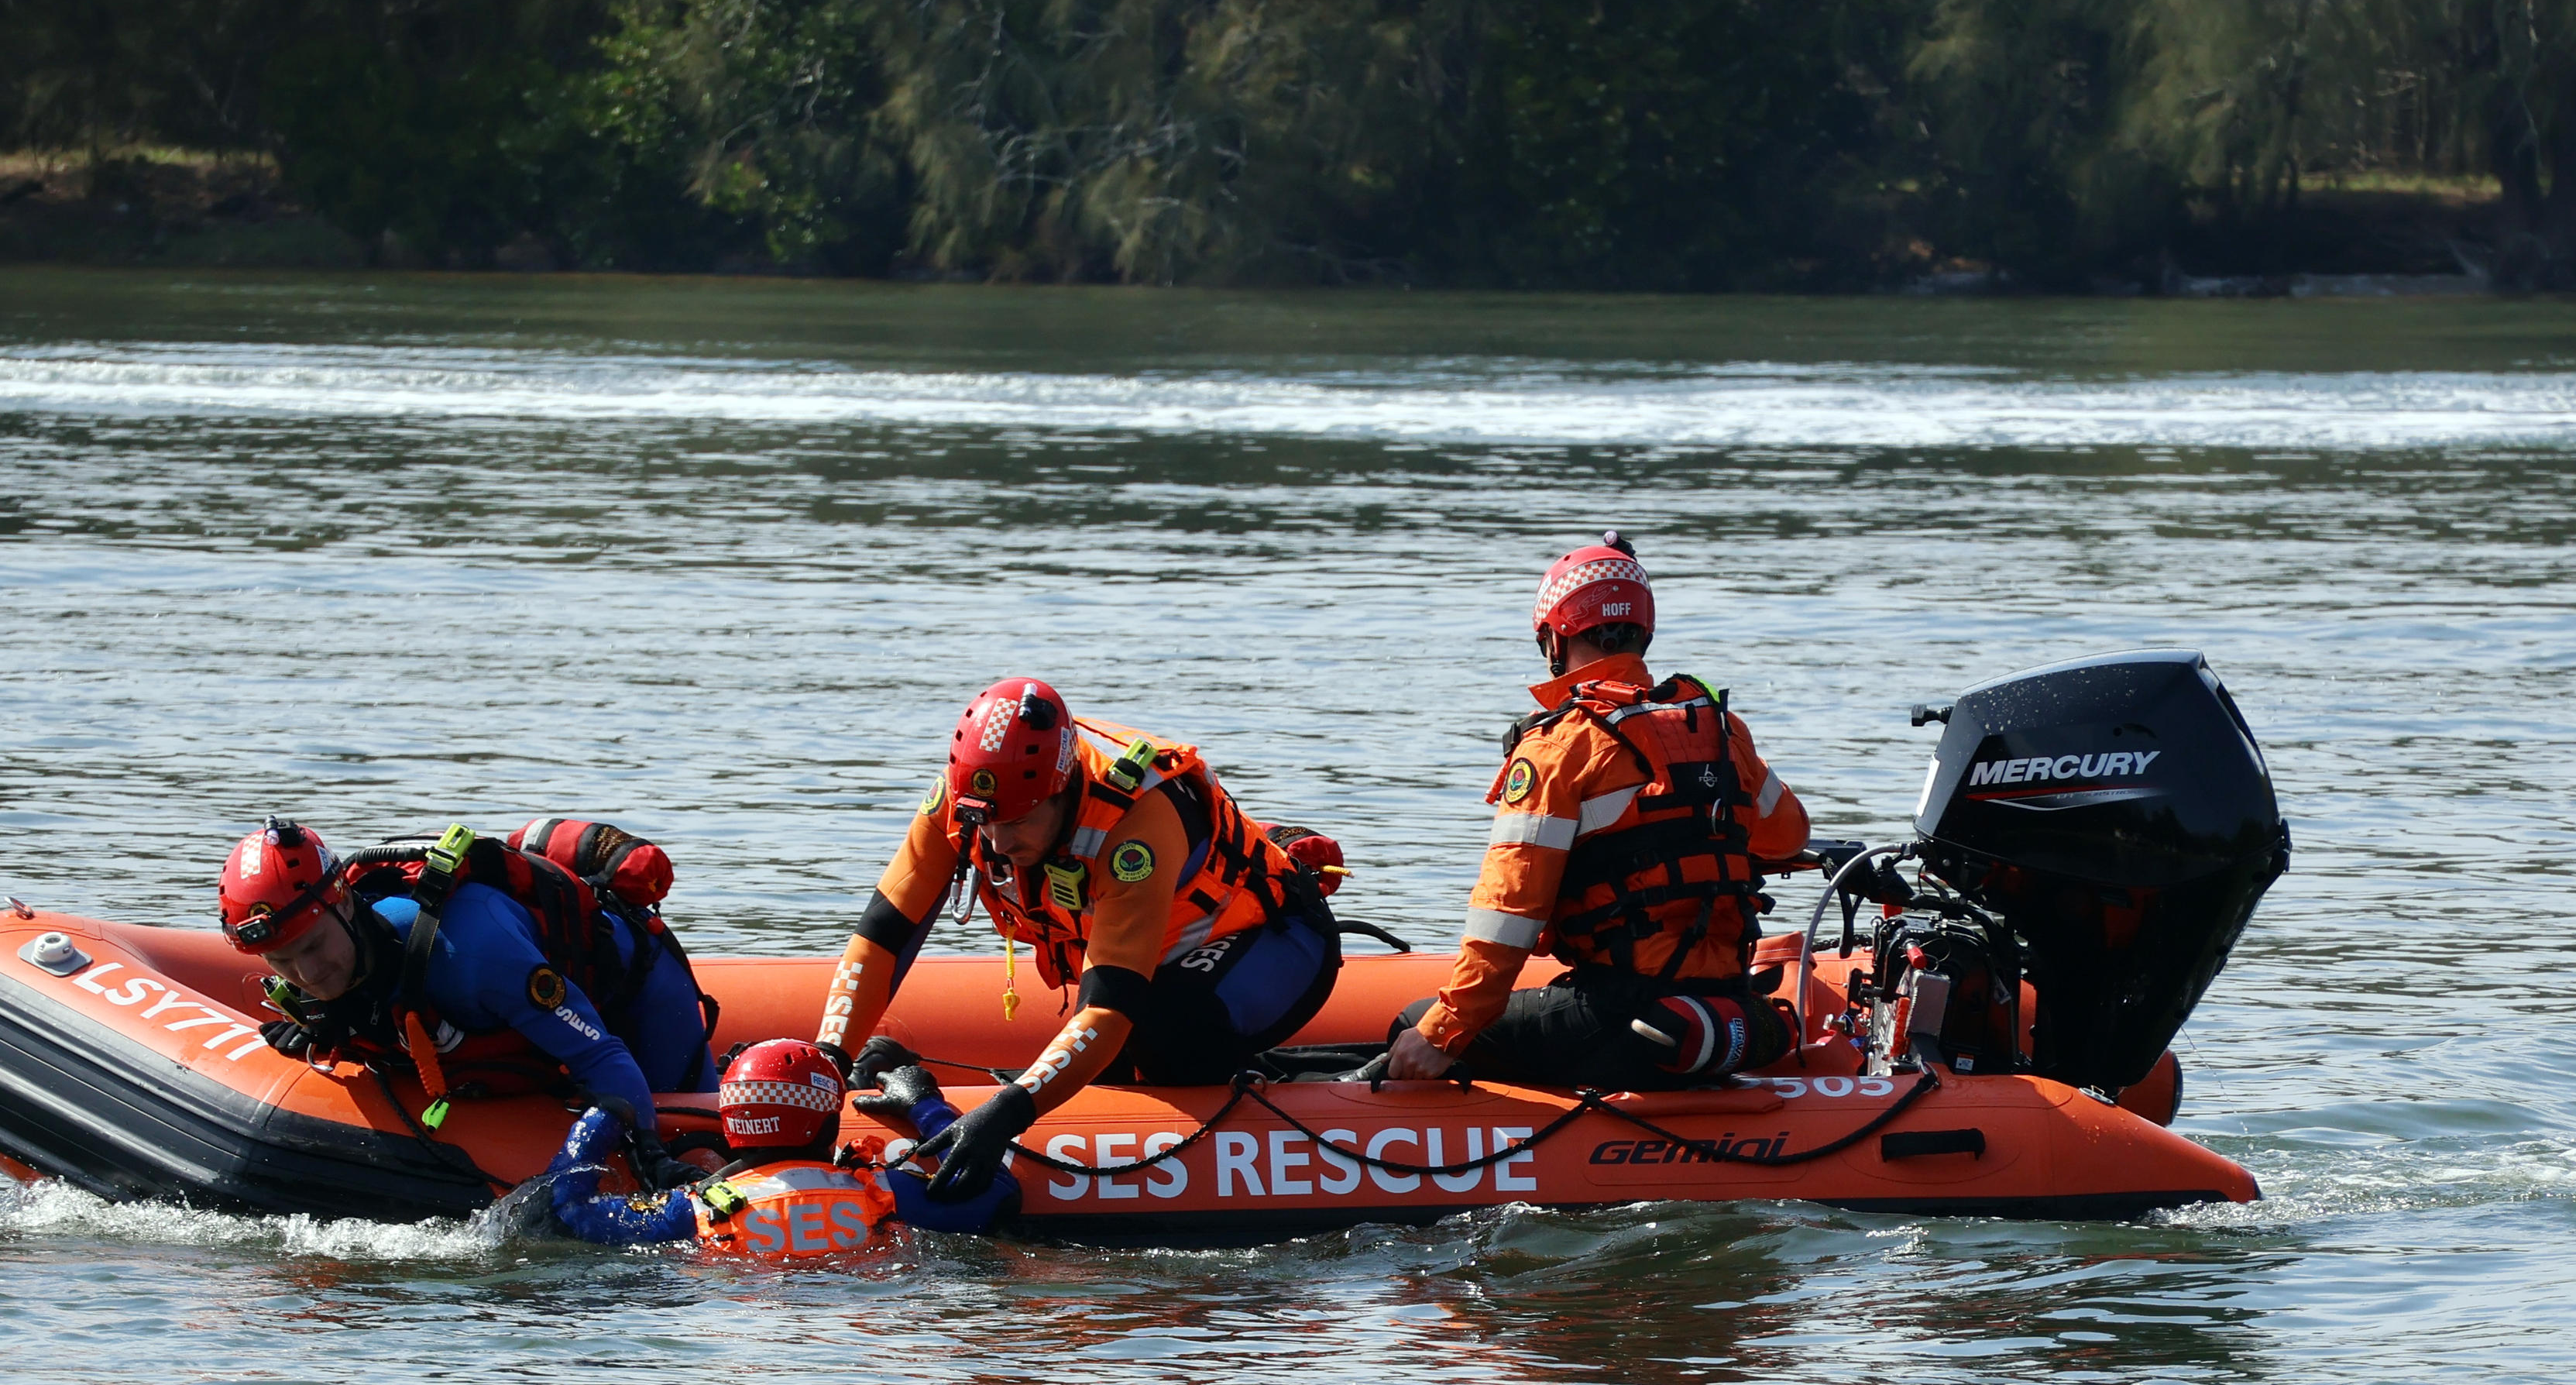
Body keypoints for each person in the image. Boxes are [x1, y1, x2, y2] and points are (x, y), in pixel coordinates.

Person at [816, 678, 1345, 1201]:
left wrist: (1008, 1114)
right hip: (1151, 962)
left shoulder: (1135, 822)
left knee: (1163, 1028)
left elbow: (1109, 1012)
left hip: (1274, 941)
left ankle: (1326, 1082)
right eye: (987, 822)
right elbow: (882, 936)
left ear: (1061, 790)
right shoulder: (970, 802)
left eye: (1019, 821)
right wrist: (828, 1063)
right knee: (1112, 1057)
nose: (998, 841)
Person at [1384, 534, 1817, 1090]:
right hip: (1719, 999)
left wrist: (1443, 1031)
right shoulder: (1723, 731)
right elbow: (1787, 836)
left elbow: (1508, 918)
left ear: (1554, 639)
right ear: (1645, 631)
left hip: (1620, 1015)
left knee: (1408, 1024)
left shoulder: (1558, 748)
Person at [218, 818, 710, 1160]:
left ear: (344, 904)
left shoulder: (471, 952)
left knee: (698, 1146)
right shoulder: (321, 973)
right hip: (514, 1034)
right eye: (283, 961)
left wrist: (645, 1151)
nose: (307, 972)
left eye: (313, 946)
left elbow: (602, 1058)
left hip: (640, 999)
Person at [543, 1039, 1017, 1256]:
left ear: (729, 1124)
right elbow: (997, 1193)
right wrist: (924, 1106)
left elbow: (572, 1210)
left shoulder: (694, 1212)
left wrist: (603, 1120)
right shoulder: (885, 1195)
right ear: (830, 1124)